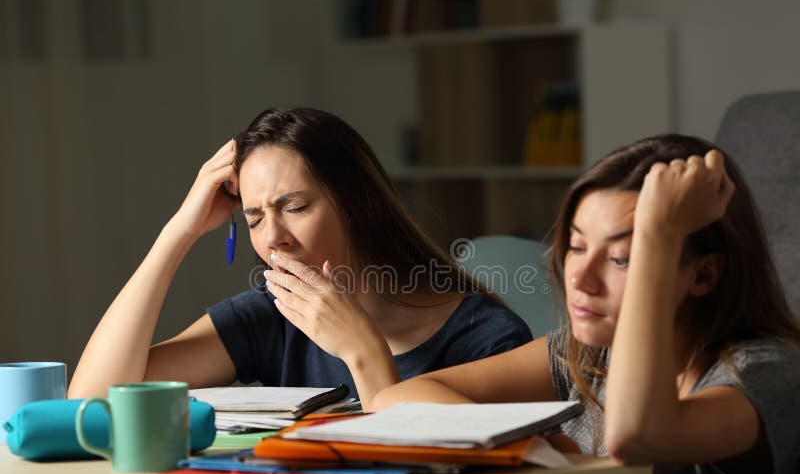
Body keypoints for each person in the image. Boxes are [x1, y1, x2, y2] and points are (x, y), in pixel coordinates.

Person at [372, 134, 800, 474]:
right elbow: (399, 396)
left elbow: (637, 436)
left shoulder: (762, 377)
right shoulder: (587, 354)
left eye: (621, 257)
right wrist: (536, 447)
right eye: (577, 246)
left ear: (703, 274)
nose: (580, 278)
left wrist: (659, 233)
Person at [67, 108, 532, 408]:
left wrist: (361, 350)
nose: (273, 239)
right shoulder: (272, 316)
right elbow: (92, 397)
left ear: (358, 203)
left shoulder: (486, 336)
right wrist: (178, 233)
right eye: (253, 219)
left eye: (295, 207)